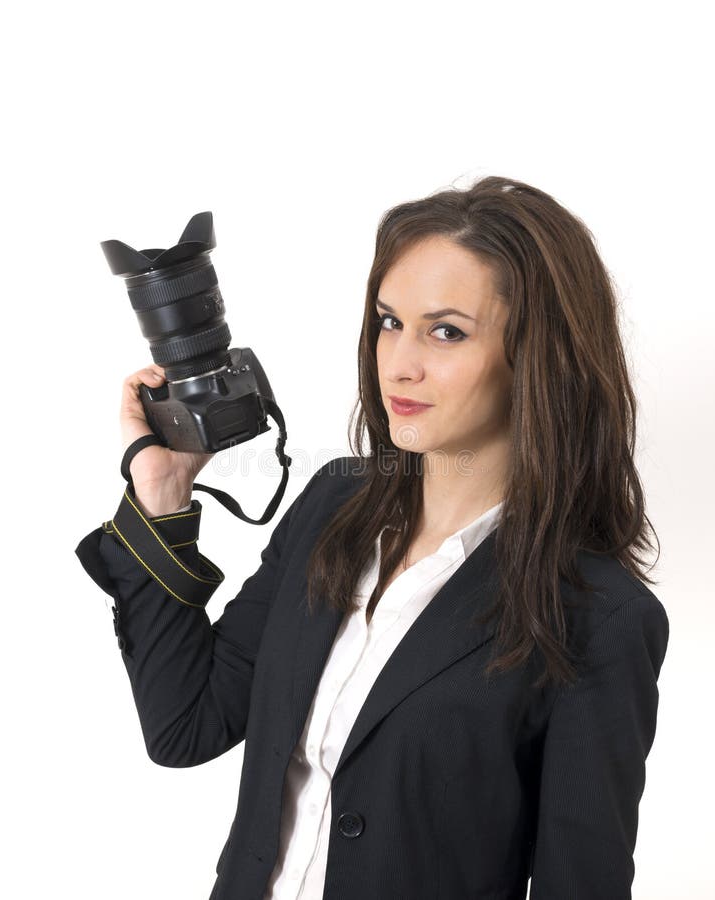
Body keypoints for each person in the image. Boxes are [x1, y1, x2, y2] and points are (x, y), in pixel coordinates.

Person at [75, 175, 670, 900]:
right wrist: (163, 498)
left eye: (446, 331)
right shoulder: (335, 505)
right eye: (390, 321)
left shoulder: (598, 615)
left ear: (538, 357)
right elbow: (186, 726)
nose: (401, 361)